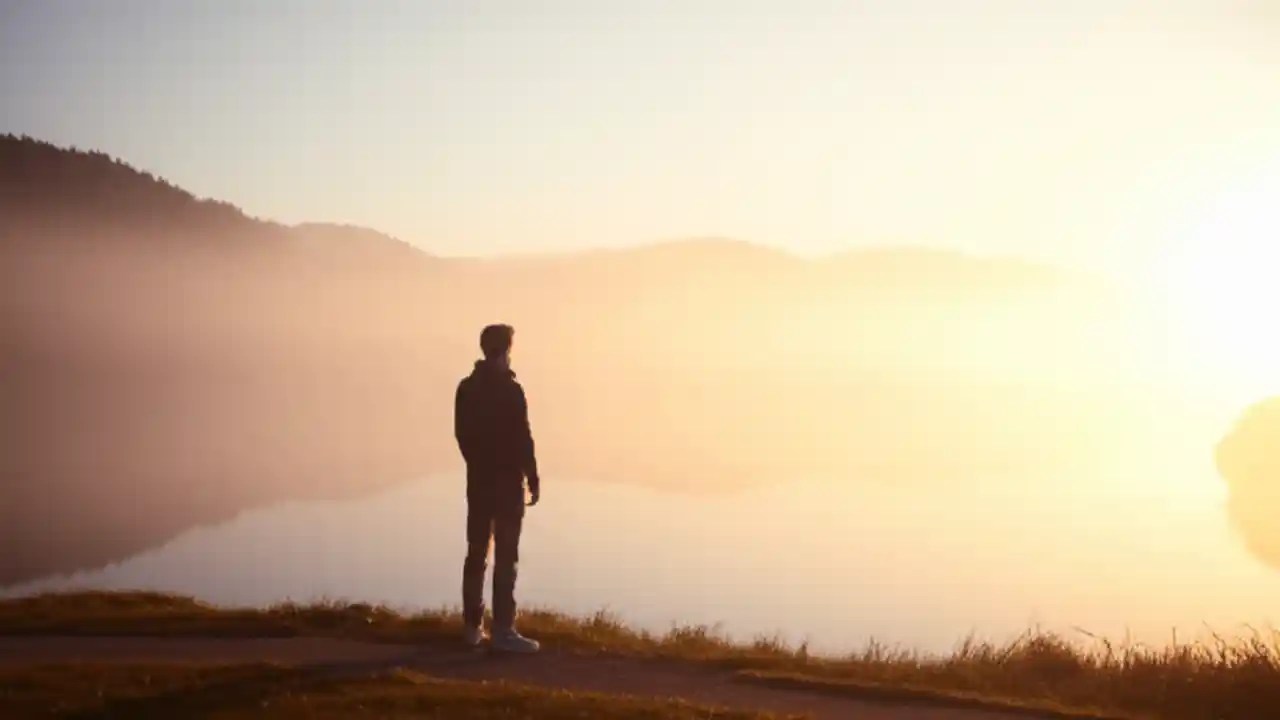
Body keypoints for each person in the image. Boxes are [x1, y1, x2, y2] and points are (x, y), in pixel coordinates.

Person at [454, 324, 541, 653]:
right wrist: (531, 476)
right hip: (506, 484)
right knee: (506, 556)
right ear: (506, 348)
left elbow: (462, 436)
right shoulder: (510, 390)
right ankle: (503, 629)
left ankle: (472, 627)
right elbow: (523, 437)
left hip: (478, 482)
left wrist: (478, 465)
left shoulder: (466, 388)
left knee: (476, 552)